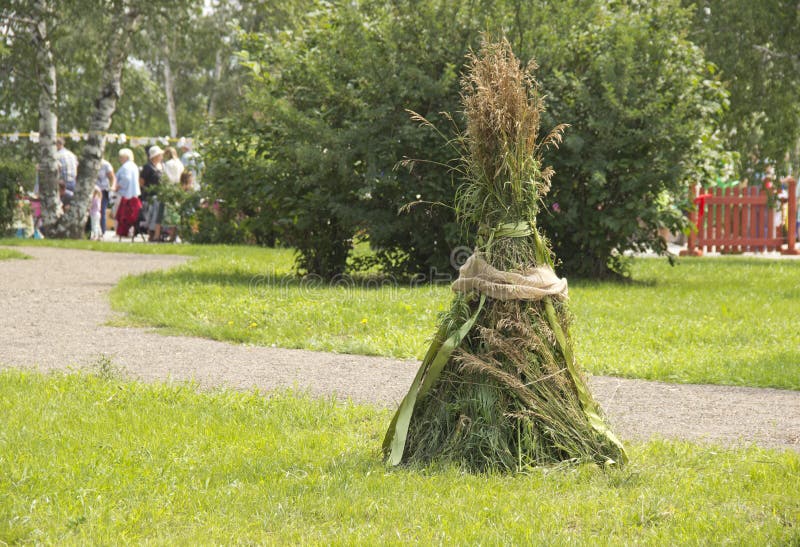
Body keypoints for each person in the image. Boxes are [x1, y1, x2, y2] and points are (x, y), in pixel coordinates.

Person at [114, 148, 141, 240]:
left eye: (121, 157)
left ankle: (120, 231)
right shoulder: (134, 166)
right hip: (134, 194)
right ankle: (129, 231)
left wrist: (118, 187)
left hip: (124, 194)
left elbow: (126, 179)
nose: (120, 159)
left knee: (120, 213)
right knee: (132, 213)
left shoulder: (125, 167)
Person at [140, 145, 165, 240]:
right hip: (149, 195)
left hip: (160, 194)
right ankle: (151, 234)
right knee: (151, 213)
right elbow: (141, 182)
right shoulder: (147, 167)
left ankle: (157, 233)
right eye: (160, 155)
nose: (161, 157)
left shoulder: (161, 166)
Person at [95, 157, 116, 234]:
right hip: (92, 190)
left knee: (101, 210)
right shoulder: (90, 163)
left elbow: (112, 177)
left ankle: (102, 231)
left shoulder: (105, 164)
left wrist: (113, 186)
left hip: (103, 190)